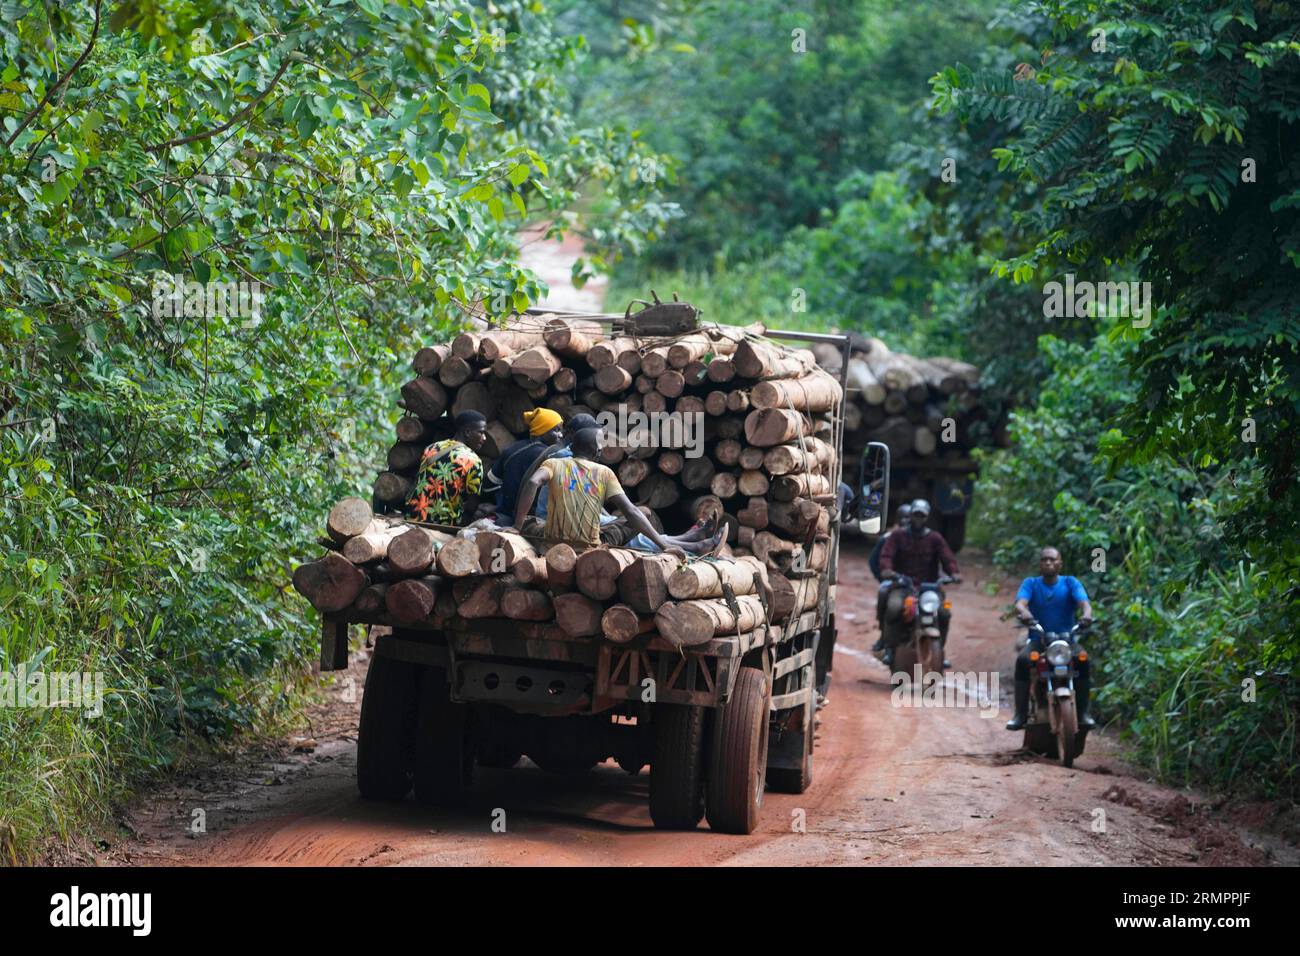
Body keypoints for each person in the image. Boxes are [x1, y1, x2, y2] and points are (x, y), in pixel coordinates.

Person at [508, 428, 723, 553]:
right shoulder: (603, 473)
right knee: (642, 514)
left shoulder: (554, 464)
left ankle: (691, 540)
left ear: (571, 448)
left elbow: (533, 482)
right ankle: (688, 542)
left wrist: (518, 525)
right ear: (598, 452)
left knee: (531, 521)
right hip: (593, 545)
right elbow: (630, 511)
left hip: (553, 539)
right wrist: (663, 546)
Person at [1006, 547, 1095, 730]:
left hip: (1067, 641)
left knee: (1083, 660)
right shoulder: (1030, 583)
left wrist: (1086, 616)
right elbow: (1020, 604)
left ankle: (1083, 713)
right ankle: (1020, 714)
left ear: (1060, 563)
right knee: (1023, 661)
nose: (1048, 562)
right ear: (1039, 564)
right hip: (1039, 640)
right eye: (1044, 559)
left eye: (1052, 559)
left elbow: (1084, 603)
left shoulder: (1070, 583)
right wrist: (1025, 614)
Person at [876, 498, 961, 668]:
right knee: (894, 608)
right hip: (903, 586)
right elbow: (886, 556)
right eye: (916, 515)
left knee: (944, 613)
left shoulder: (935, 538)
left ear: (927, 517)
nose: (918, 519)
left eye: (922, 516)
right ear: (911, 515)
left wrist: (954, 573)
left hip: (929, 589)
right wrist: (888, 571)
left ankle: (940, 652)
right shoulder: (897, 536)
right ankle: (890, 649)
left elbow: (947, 558)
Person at [404, 411, 487, 526]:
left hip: (412, 516)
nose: (484, 438)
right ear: (467, 432)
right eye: (481, 432)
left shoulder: (431, 448)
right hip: (443, 522)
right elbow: (472, 505)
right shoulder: (473, 460)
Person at [486, 408, 565, 525]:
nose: (561, 435)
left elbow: (489, 485)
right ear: (542, 430)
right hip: (535, 522)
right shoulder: (553, 456)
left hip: (505, 516)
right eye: (556, 430)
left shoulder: (511, 450)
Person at [869, 503, 912, 582]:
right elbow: (873, 561)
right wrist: (881, 578)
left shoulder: (919, 538)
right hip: (891, 579)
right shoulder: (887, 538)